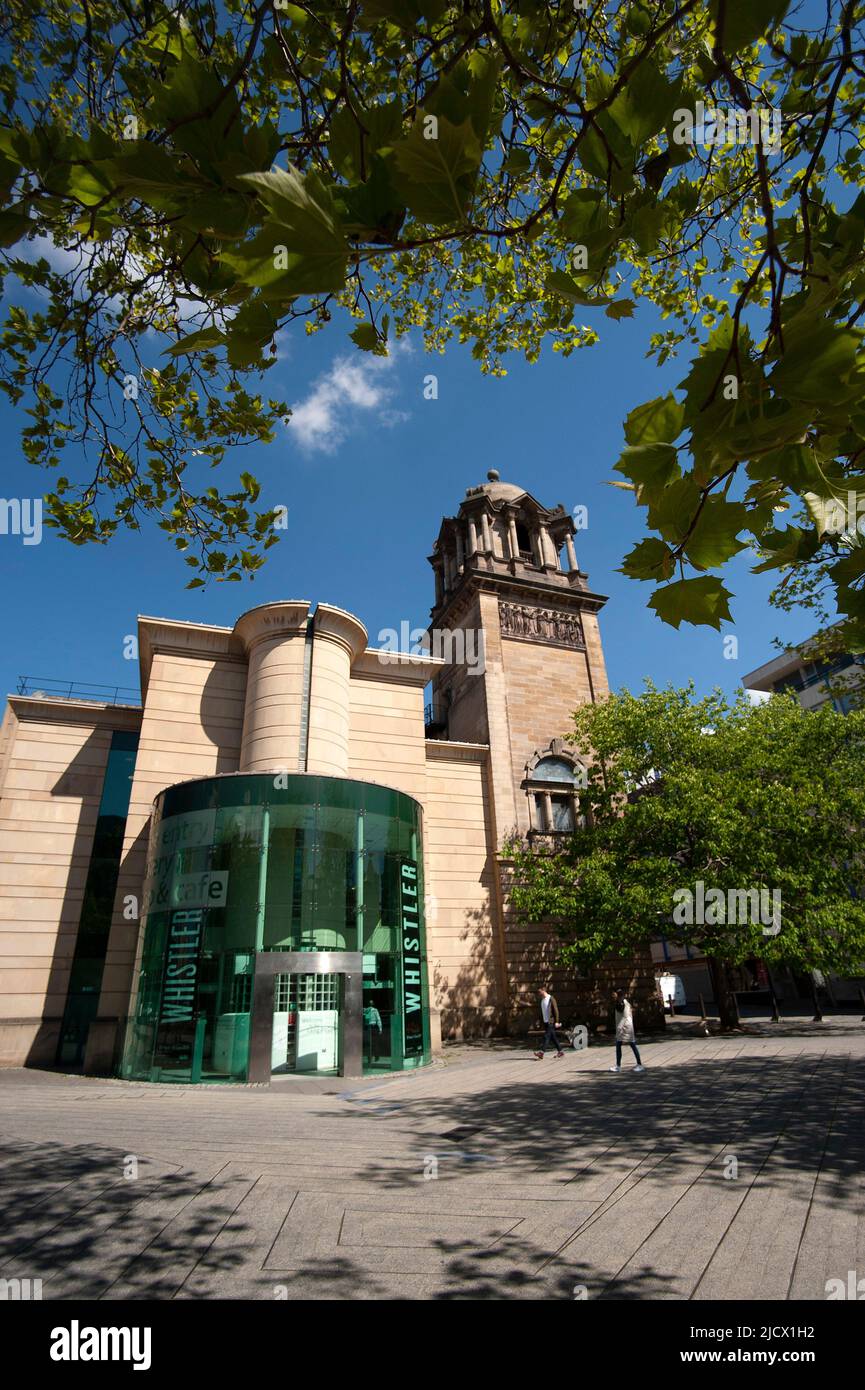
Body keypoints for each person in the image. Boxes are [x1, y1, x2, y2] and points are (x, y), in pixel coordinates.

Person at [609, 988, 645, 1072]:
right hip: (622, 1027)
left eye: (614, 995)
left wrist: (619, 1028)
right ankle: (618, 1066)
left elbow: (625, 1017)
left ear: (619, 995)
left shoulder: (625, 1003)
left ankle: (639, 1064)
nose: (613, 996)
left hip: (626, 1028)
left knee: (632, 1044)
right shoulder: (618, 1003)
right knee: (619, 1045)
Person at [534, 987, 565, 1060]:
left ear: (544, 991)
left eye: (540, 992)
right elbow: (542, 1012)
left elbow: (556, 1010)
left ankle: (541, 1053)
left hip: (551, 1021)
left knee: (546, 1037)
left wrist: (557, 1021)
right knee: (553, 1037)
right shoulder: (542, 1001)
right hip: (545, 1022)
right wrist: (539, 1021)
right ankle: (560, 1051)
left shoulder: (551, 999)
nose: (539, 994)